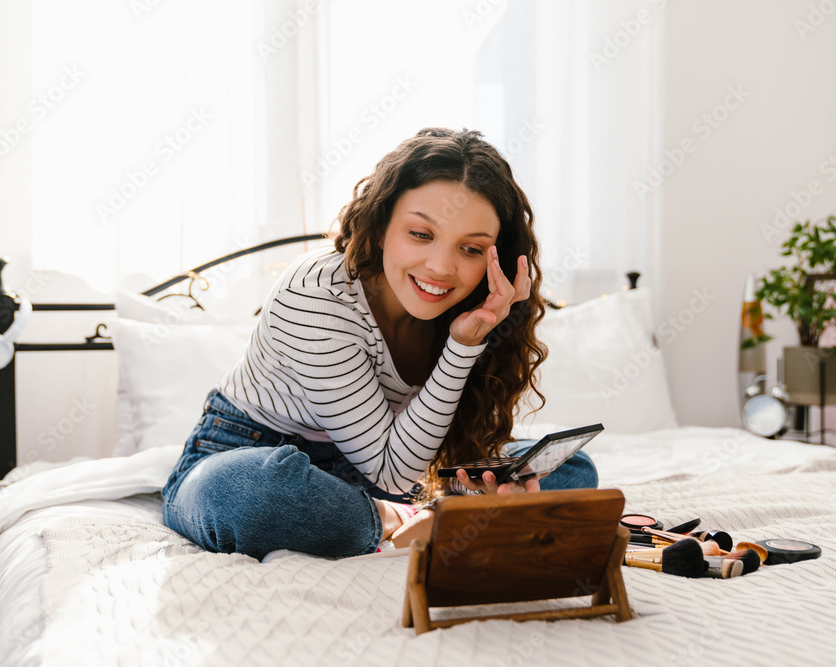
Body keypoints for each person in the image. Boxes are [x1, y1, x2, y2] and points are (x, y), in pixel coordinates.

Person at [161, 127, 598, 560]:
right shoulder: (318, 291)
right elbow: (392, 472)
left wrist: (470, 337)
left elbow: (404, 463)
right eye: (421, 235)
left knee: (567, 470)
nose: (441, 268)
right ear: (382, 222)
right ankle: (405, 519)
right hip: (255, 453)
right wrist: (460, 349)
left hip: (381, 473)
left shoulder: (471, 306)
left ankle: (409, 514)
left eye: (470, 249)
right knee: (249, 495)